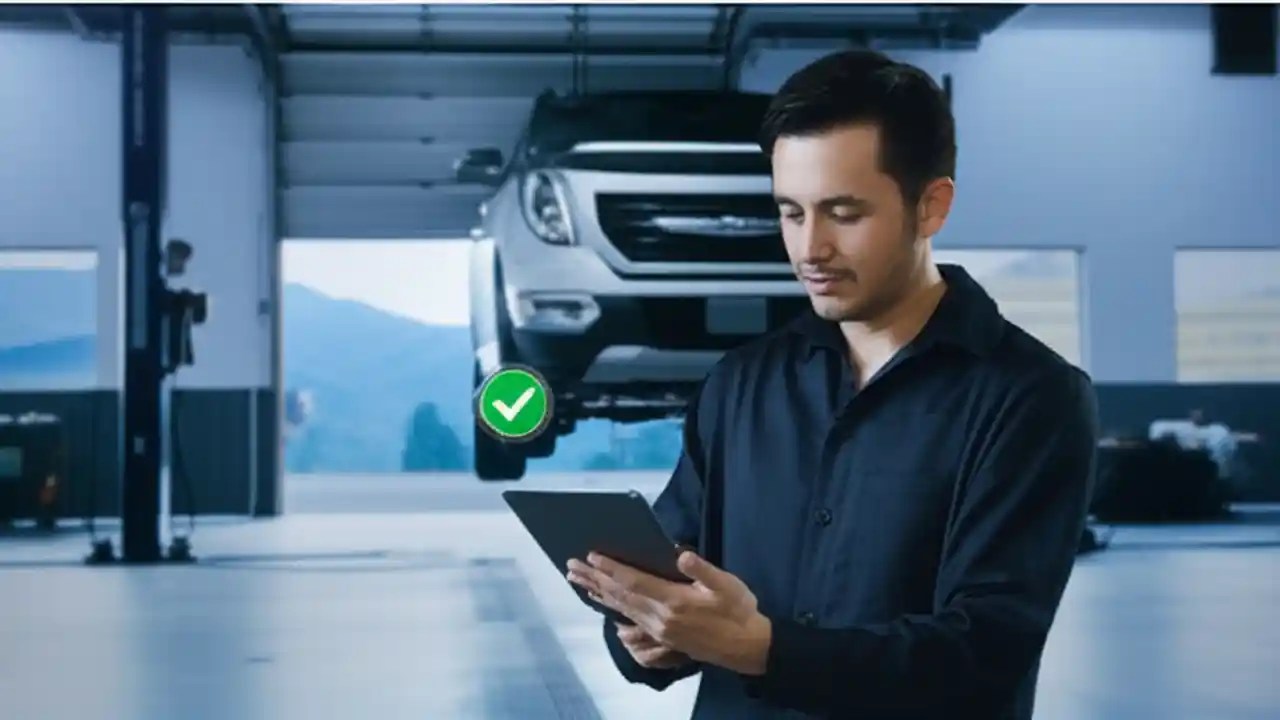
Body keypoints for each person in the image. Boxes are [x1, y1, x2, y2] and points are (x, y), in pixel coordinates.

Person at [567, 49, 1100, 719]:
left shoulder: (1033, 398)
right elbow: (671, 572)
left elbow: (986, 649)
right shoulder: (739, 386)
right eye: (791, 213)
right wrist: (647, 634)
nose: (809, 249)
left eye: (843, 214)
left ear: (931, 206)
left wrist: (763, 648)